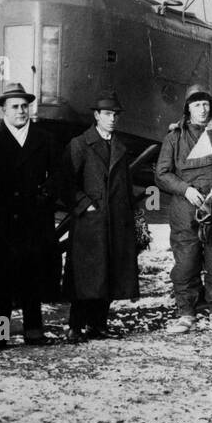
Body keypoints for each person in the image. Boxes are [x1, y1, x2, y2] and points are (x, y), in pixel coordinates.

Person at [0, 83, 59, 350]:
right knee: (1, 288)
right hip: (1, 226)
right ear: (3, 110)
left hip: (35, 223)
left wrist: (47, 195)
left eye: (24, 106)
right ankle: (1, 335)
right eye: (15, 107)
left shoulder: (45, 140)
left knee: (32, 280)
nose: (21, 111)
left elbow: (60, 176)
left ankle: (34, 331)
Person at [155, 83, 212, 334]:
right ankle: (186, 314)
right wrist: (185, 189)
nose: (202, 110)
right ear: (188, 108)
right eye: (196, 105)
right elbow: (162, 173)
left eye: (205, 104)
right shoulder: (174, 138)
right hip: (185, 206)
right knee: (186, 260)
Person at [59, 91, 140, 341]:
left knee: (109, 273)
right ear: (96, 116)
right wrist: (85, 206)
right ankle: (75, 325)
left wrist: (131, 215)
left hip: (115, 221)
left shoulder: (120, 147)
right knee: (85, 276)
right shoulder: (80, 144)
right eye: (107, 114)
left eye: (116, 114)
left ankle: (98, 324)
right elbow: (65, 183)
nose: (113, 118)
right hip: (89, 223)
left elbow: (125, 185)